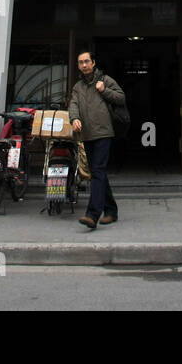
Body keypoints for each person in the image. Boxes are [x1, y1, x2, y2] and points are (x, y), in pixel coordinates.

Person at [68, 50, 125, 230]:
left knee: (97, 171)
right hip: (86, 134)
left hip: (103, 132)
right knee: (97, 172)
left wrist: (104, 90)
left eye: (86, 61)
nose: (84, 65)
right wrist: (74, 118)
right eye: (80, 62)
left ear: (93, 63)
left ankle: (93, 214)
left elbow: (121, 98)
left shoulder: (105, 80)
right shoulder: (78, 87)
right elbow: (73, 104)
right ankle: (111, 210)